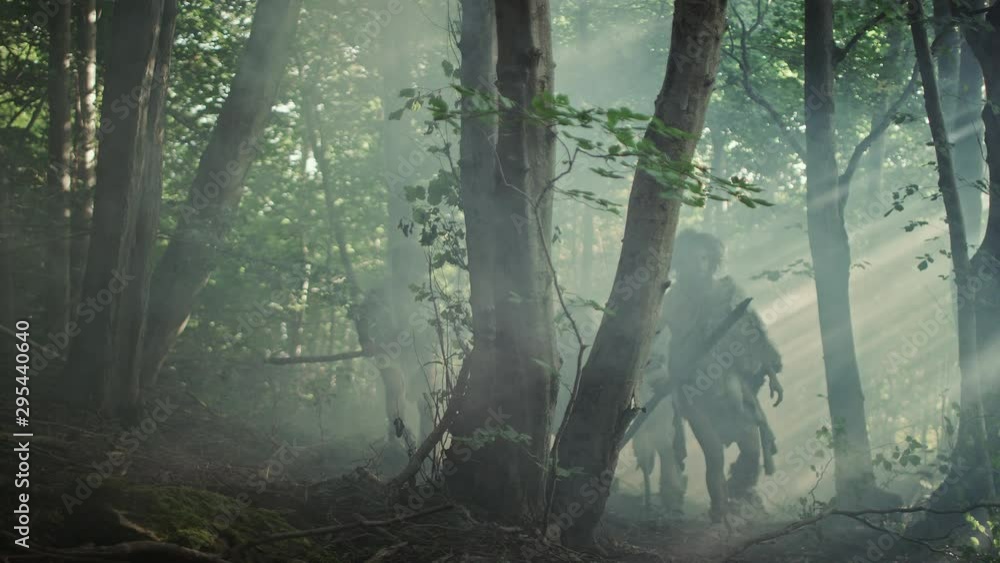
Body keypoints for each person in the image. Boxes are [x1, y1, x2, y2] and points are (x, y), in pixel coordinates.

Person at [658, 229, 783, 521]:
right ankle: (720, 515)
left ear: (713, 260)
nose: (698, 265)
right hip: (691, 386)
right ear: (680, 262)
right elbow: (661, 336)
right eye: (690, 260)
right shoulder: (673, 298)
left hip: (729, 381)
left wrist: (772, 374)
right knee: (714, 454)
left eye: (703, 259)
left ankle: (742, 496)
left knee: (752, 447)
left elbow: (753, 332)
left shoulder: (728, 291)